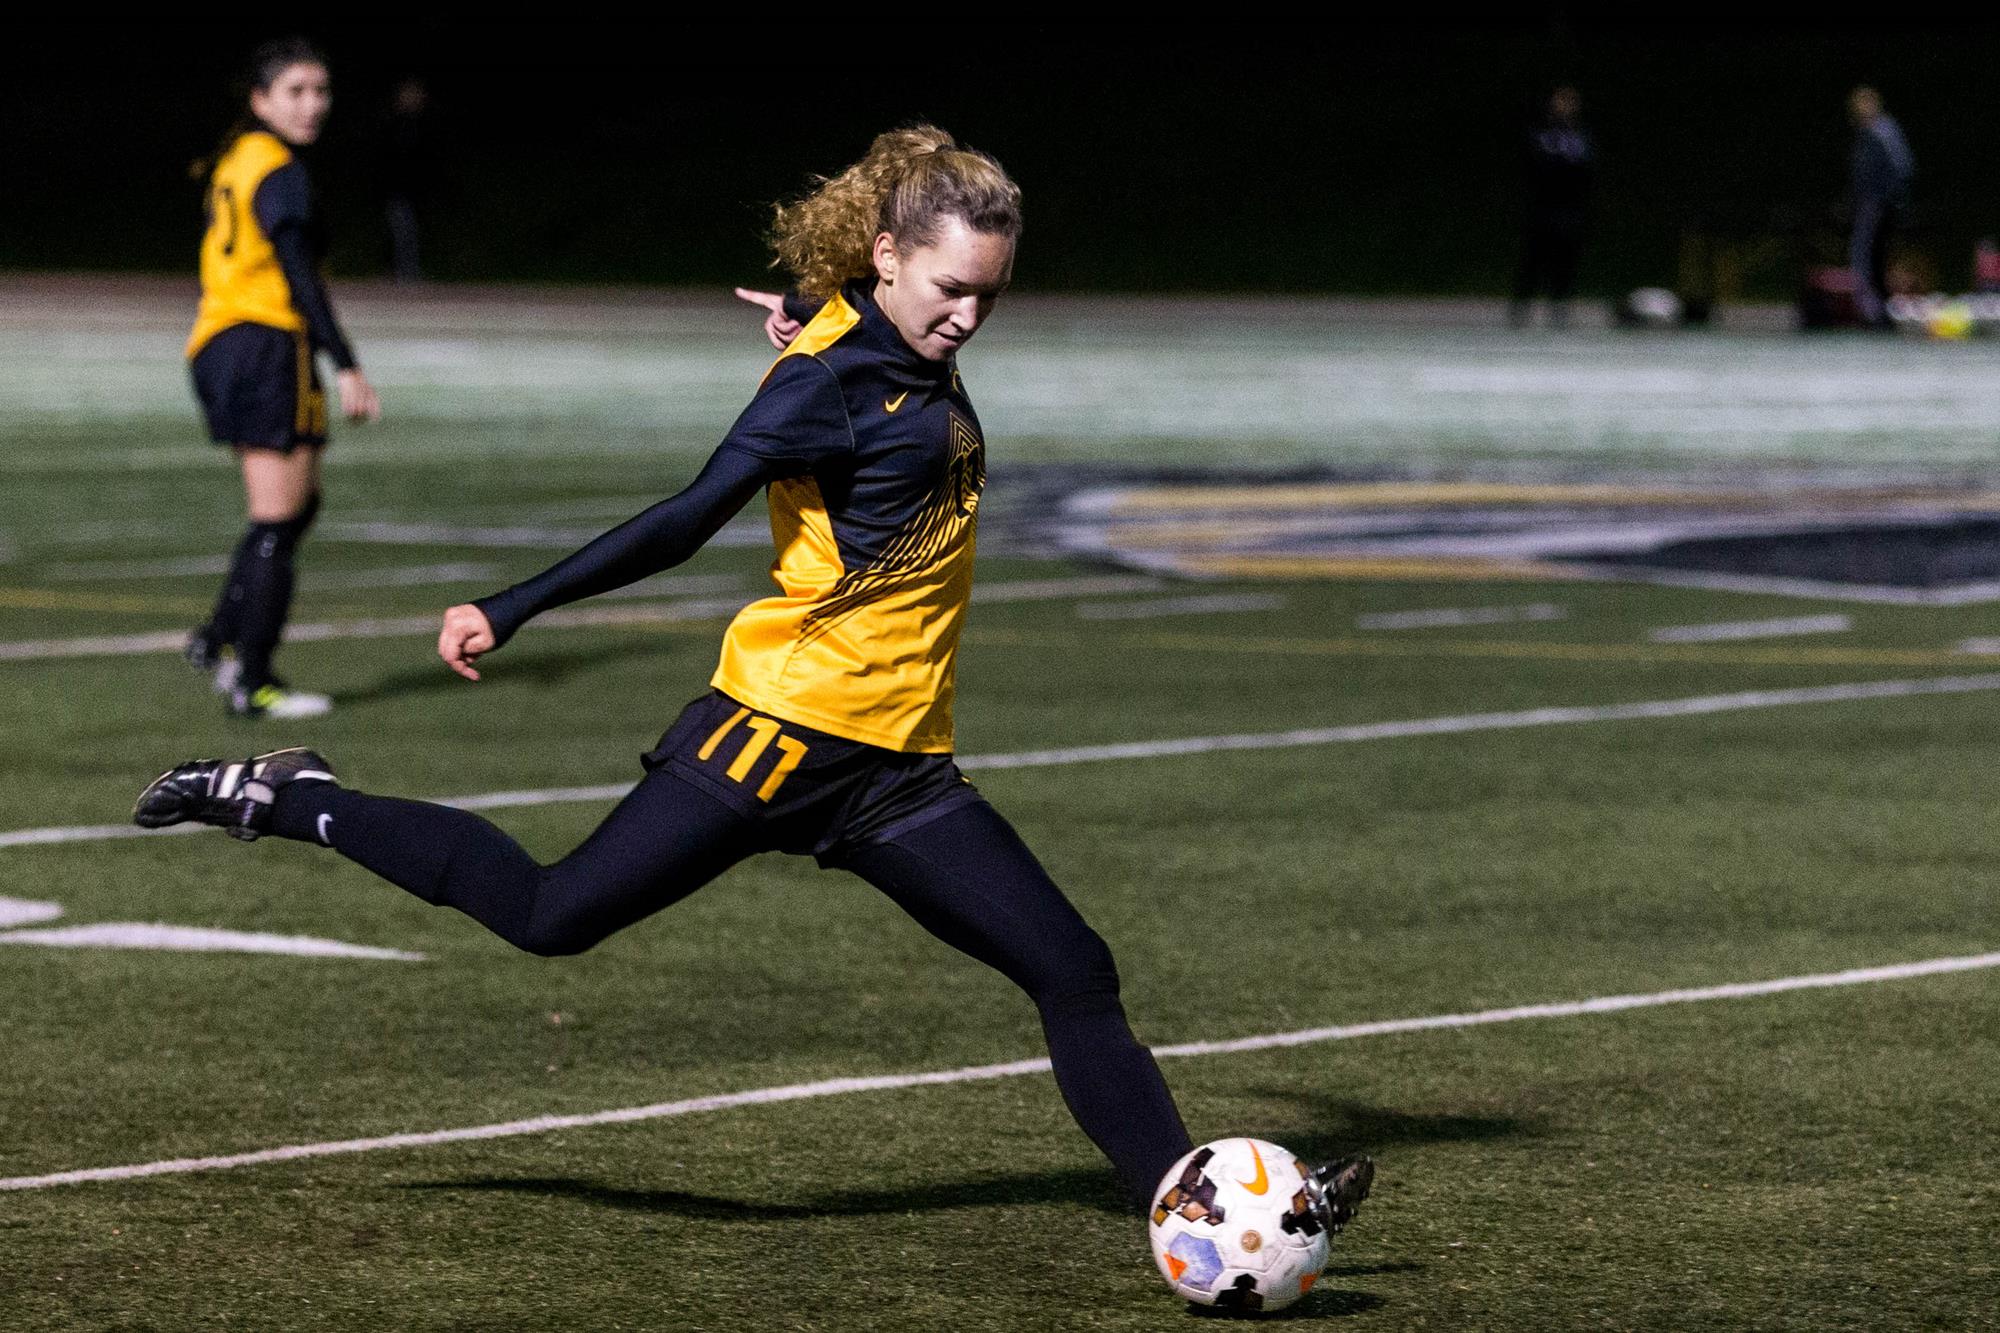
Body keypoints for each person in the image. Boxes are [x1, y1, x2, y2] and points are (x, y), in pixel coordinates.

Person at [134, 125, 1373, 1233]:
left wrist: (814, 299)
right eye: (950, 290)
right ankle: (288, 795)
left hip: (896, 774)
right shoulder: (824, 383)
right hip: (773, 735)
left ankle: (1187, 1202)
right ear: (889, 256)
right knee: (551, 916)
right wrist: (508, 609)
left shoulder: (872, 326)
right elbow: (680, 522)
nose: (967, 319)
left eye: (988, 297)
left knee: (1071, 968)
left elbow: (862, 324)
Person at [185, 38, 382, 719]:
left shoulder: (237, 157)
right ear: (260, 99)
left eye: (320, 90)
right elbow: (298, 273)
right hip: (268, 344)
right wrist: (346, 360)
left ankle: (219, 637)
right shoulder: (280, 169)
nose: (312, 104)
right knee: (279, 519)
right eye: (295, 91)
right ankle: (253, 677)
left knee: (293, 509)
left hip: (219, 340)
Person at [1510, 86, 1594, 329]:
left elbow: (1588, 170)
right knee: (1533, 258)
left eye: (1570, 102)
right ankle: (1521, 306)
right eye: (1561, 102)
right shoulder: (1540, 133)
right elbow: (1532, 165)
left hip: (1571, 207)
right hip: (1542, 206)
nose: (1565, 107)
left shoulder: (1581, 136)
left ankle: (1560, 306)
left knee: (1566, 259)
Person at [1847, 85, 1915, 329]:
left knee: (1866, 257)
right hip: (1868, 205)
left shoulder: (1883, 131)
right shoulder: (1865, 132)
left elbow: (1902, 168)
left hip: (1879, 206)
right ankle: (1875, 313)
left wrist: (1893, 201)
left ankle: (1876, 313)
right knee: (1870, 258)